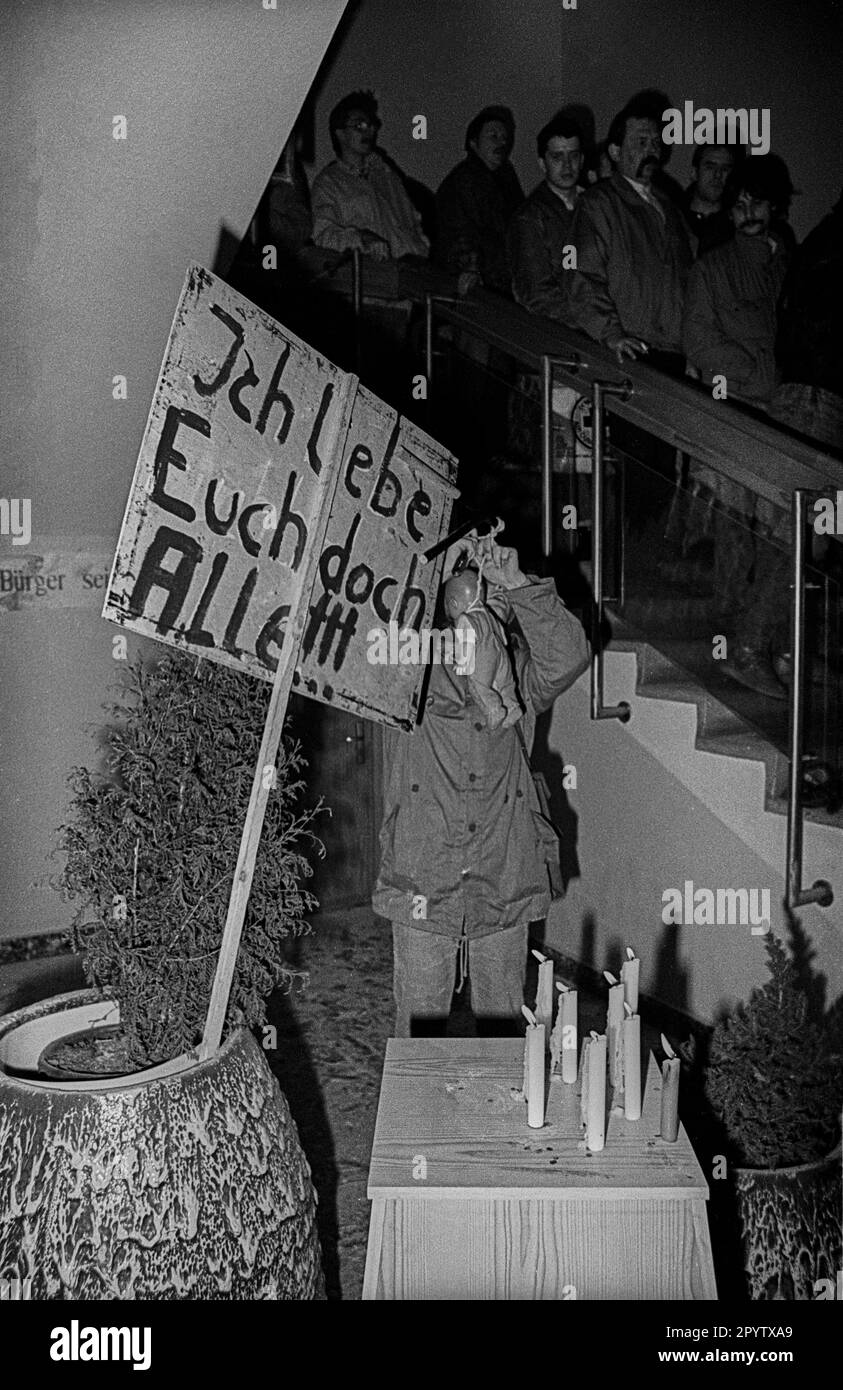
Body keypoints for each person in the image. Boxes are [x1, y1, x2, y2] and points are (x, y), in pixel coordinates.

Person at [373, 531, 589, 1037]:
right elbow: (366, 636)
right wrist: (424, 577)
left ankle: (499, 1117)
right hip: (423, 878)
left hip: (503, 875)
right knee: (417, 1042)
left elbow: (570, 655)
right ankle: (420, 1119)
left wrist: (514, 580)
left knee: (502, 1038)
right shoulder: (408, 663)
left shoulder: (518, 671)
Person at [682, 156, 793, 698]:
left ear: (775, 206)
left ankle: (773, 645)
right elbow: (701, 342)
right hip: (734, 411)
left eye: (758, 200)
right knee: (735, 530)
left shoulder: (789, 265)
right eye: (739, 200)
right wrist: (759, 375)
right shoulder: (713, 266)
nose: (747, 209)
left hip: (785, 415)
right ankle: (729, 648)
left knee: (779, 533)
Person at [565, 97, 694, 372]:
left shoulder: (670, 208)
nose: (652, 150)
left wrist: (693, 352)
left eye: (656, 143)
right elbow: (583, 276)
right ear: (615, 151)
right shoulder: (598, 204)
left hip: (671, 353)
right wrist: (611, 334)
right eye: (641, 142)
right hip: (625, 351)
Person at [310, 90, 429, 261]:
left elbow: (413, 224)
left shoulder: (388, 175)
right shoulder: (329, 183)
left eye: (371, 124)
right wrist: (362, 239)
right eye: (359, 126)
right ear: (340, 133)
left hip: (412, 272)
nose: (370, 131)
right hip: (372, 276)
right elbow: (323, 235)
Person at [771, 191, 843, 454]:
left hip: (810, 390)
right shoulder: (832, 243)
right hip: (816, 394)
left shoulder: (826, 236)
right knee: (800, 486)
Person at [435, 105, 524, 292]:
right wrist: (470, 269)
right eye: (493, 136)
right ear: (474, 142)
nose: (501, 143)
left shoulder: (506, 177)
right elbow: (459, 233)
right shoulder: (464, 180)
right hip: (478, 284)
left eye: (504, 138)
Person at [508, 115, 584, 320]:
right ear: (543, 163)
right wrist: (592, 322)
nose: (567, 166)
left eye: (573, 156)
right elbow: (538, 295)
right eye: (557, 158)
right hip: (560, 331)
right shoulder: (530, 217)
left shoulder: (595, 206)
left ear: (582, 159)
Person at [682, 144, 737, 256]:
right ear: (694, 173)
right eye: (710, 167)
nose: (718, 175)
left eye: (725, 169)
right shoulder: (672, 217)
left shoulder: (737, 226)